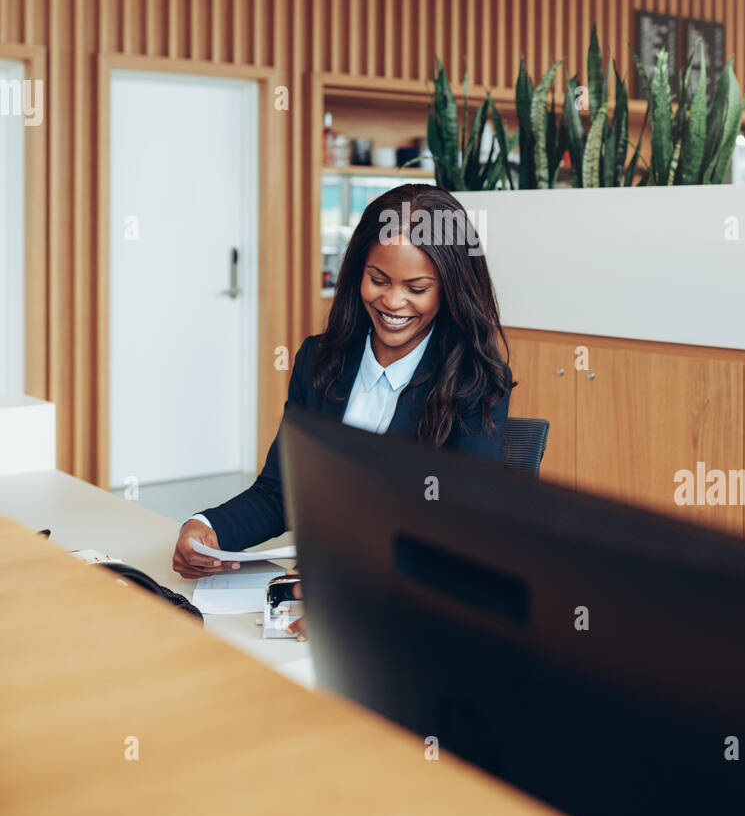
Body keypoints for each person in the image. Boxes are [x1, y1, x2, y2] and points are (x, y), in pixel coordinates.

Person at [172, 185, 514, 639]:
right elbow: (280, 493)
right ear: (356, 272)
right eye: (378, 279)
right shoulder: (320, 361)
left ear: (450, 290)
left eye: (417, 288)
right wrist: (206, 527)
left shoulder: (474, 382)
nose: (393, 302)